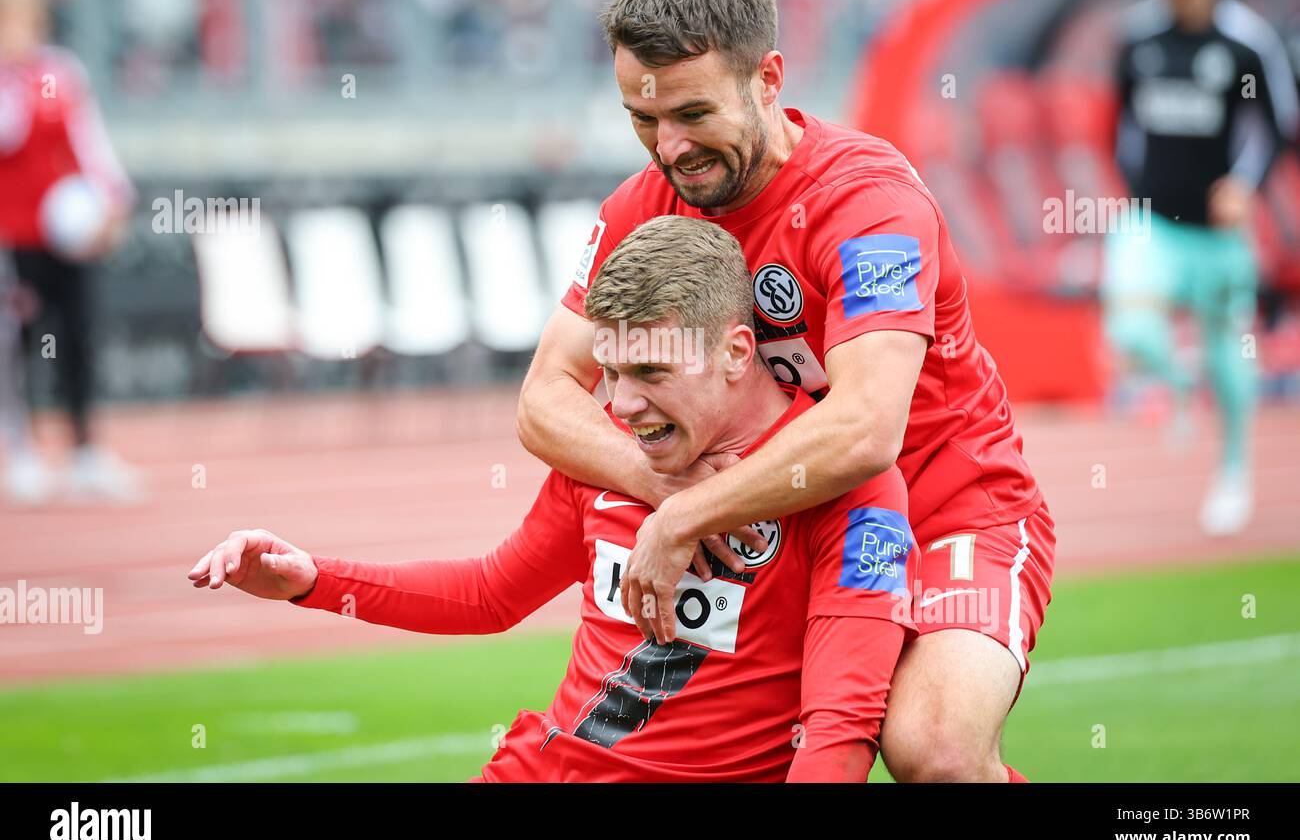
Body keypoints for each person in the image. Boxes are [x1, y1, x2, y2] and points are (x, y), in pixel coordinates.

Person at [516, 0, 1053, 783]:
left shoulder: (866, 203)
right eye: (642, 119)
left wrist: (688, 517)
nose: (669, 148)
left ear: (768, 78)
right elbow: (544, 397)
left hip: (953, 510)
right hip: (796, 532)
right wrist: (666, 491)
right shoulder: (642, 206)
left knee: (936, 752)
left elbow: (866, 429)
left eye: (694, 113)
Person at [187, 216, 917, 783]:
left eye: (650, 372)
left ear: (734, 353)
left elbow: (838, 730)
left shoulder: (842, 489)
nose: (623, 405)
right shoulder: (612, 454)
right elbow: (487, 596)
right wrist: (313, 580)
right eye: (608, 372)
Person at [1107, 0, 1298, 536]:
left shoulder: (1245, 43)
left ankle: (1234, 470)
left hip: (1219, 237)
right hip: (1154, 223)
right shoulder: (1139, 38)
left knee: (1230, 357)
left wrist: (1244, 185)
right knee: (1131, 329)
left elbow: (1278, 124)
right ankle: (1177, 383)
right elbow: (1120, 122)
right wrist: (1134, 187)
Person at [0, 0, 138, 503]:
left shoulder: (61, 72)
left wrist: (113, 201)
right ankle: (23, 452)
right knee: (21, 347)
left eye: (26, 20)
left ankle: (85, 451)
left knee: (77, 337)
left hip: (68, 237)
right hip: (15, 239)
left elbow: (89, 141)